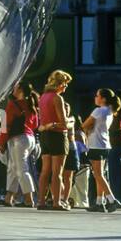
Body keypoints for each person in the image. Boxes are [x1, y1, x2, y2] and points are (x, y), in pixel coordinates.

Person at [37, 70, 73, 211]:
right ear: (59, 84)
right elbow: (63, 123)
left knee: (45, 170)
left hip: (45, 136)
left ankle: (41, 201)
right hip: (58, 136)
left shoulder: (43, 97)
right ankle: (57, 202)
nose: (66, 86)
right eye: (65, 83)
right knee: (57, 172)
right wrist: (72, 120)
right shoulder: (57, 98)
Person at [81, 88, 121, 213]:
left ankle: (112, 200)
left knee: (98, 174)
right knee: (99, 175)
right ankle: (99, 202)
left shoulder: (98, 110)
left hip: (95, 144)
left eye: (97, 95)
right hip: (105, 145)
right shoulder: (109, 111)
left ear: (103, 99)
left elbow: (84, 125)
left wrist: (87, 129)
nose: (95, 97)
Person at [3, 83, 37, 207]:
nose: (13, 90)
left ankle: (29, 199)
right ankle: (9, 198)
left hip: (17, 139)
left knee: (21, 169)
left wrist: (1, 142)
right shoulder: (31, 104)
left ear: (21, 90)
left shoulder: (12, 105)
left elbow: (5, 126)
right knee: (13, 168)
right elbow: (35, 124)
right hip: (29, 138)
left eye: (16, 88)